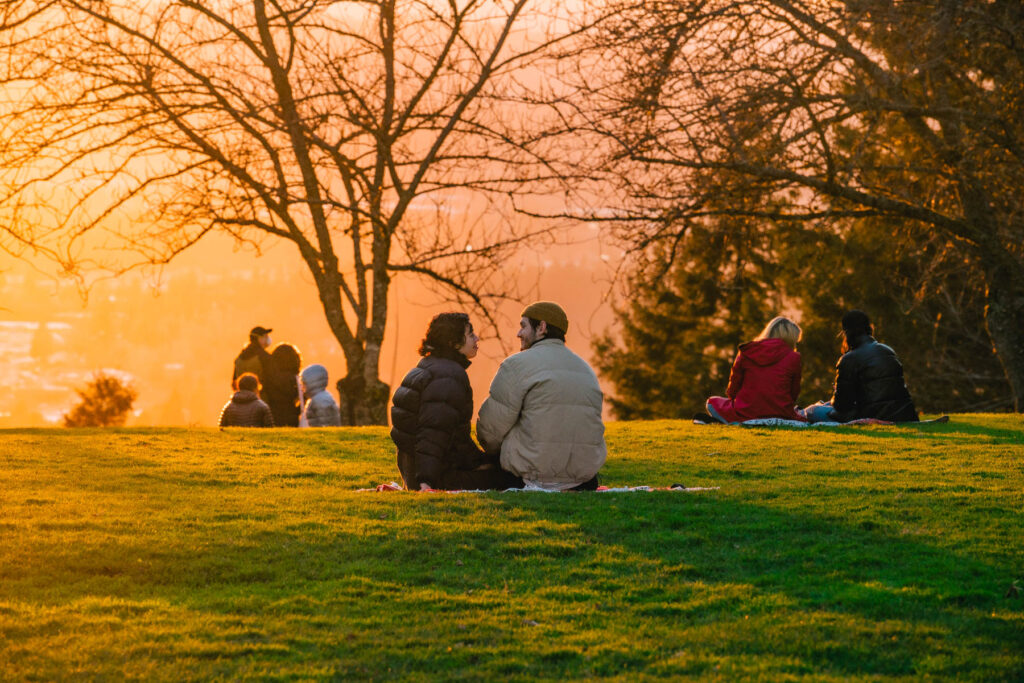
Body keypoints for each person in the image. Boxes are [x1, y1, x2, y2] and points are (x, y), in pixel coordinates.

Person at [477, 301, 606, 491]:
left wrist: (494, 455)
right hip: (582, 480)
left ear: (541, 327)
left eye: (523, 326)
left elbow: (490, 432)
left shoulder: (516, 365)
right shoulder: (586, 370)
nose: (518, 333)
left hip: (526, 476)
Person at [390, 313, 524, 491]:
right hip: (437, 477)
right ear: (453, 343)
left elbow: (453, 439)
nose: (477, 338)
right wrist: (426, 483)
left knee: (497, 468)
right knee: (514, 479)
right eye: (470, 335)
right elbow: (433, 433)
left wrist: (479, 461)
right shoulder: (449, 376)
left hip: (421, 471)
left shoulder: (429, 366)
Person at [803, 310, 919, 423]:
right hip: (903, 414)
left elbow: (842, 406)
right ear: (869, 328)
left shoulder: (848, 359)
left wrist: (838, 391)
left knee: (813, 410)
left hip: (871, 415)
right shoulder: (888, 350)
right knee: (827, 404)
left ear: (846, 333)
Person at [702, 316, 805, 423]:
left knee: (712, 402)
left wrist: (737, 401)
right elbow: (794, 393)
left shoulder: (748, 351)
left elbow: (733, 387)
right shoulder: (794, 357)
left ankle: (731, 419)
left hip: (747, 411)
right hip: (781, 412)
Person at [264, 343, 302, 427]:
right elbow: (301, 400)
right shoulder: (295, 379)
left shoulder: (269, 378)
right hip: (291, 417)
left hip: (273, 415)